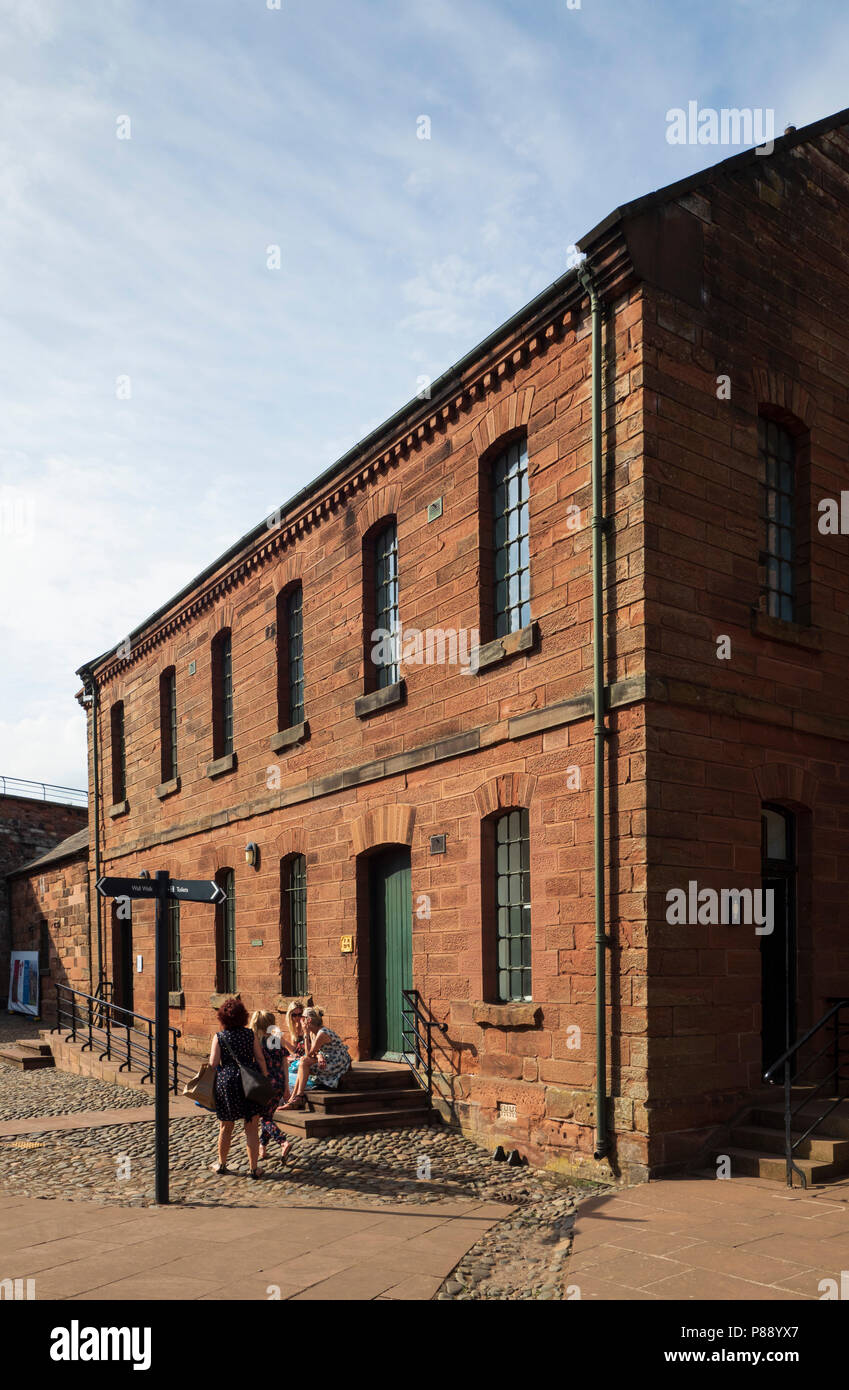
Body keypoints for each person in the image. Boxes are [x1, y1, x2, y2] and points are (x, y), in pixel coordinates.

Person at [208, 996, 269, 1178]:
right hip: (248, 1081)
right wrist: (264, 1076)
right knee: (251, 1126)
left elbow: (213, 1064)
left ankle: (221, 1164)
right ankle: (253, 1169)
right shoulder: (249, 1034)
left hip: (227, 1082)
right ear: (243, 1016)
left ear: (222, 1018)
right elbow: (259, 1058)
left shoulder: (219, 1037)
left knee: (226, 1126)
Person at [281, 1005, 351, 1108]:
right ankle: (294, 1098)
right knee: (303, 1062)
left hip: (338, 1061)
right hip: (328, 1057)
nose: (301, 1020)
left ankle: (297, 1096)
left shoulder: (321, 1033)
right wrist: (319, 1056)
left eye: (302, 1018)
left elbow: (309, 1053)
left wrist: (305, 1033)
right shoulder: (314, 1032)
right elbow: (312, 1053)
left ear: (308, 1020)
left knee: (304, 1062)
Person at [249, 1008, 293, 1164]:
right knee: (268, 1116)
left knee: (265, 1118)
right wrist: (287, 1087)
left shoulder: (255, 1042)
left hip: (265, 1084)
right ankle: (263, 1146)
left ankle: (283, 1142)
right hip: (279, 1082)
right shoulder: (277, 1041)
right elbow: (285, 1064)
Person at [282, 999, 318, 1102]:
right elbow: (294, 1050)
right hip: (298, 1058)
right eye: (294, 1015)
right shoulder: (295, 1028)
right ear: (290, 1015)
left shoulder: (308, 1028)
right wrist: (283, 1041)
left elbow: (311, 1051)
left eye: (300, 1015)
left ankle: (292, 1097)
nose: (297, 1018)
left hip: (309, 1058)